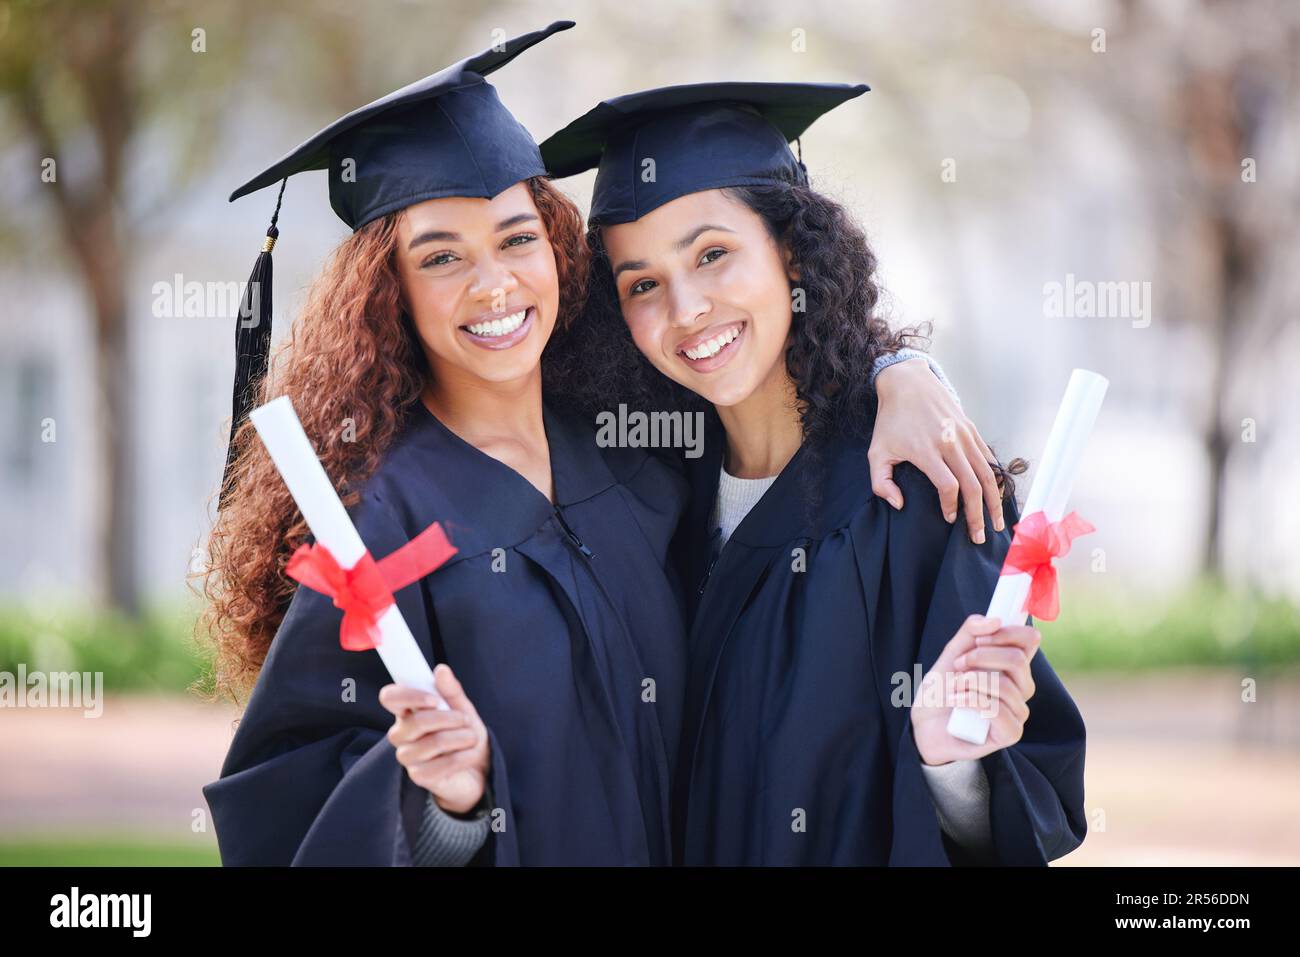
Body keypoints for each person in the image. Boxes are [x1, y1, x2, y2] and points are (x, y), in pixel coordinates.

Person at [199, 25, 1011, 865]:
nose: (494, 283)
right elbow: (290, 810)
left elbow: (768, 386)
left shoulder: (641, 455)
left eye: (517, 238)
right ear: (386, 291)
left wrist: (899, 366)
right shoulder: (379, 528)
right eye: (441, 256)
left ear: (556, 250)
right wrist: (445, 808)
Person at [540, 81, 1089, 864]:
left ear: (792, 249)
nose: (686, 306)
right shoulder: (643, 490)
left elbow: (1023, 817)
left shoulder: (912, 492)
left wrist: (952, 761)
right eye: (642, 284)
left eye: (713, 253)